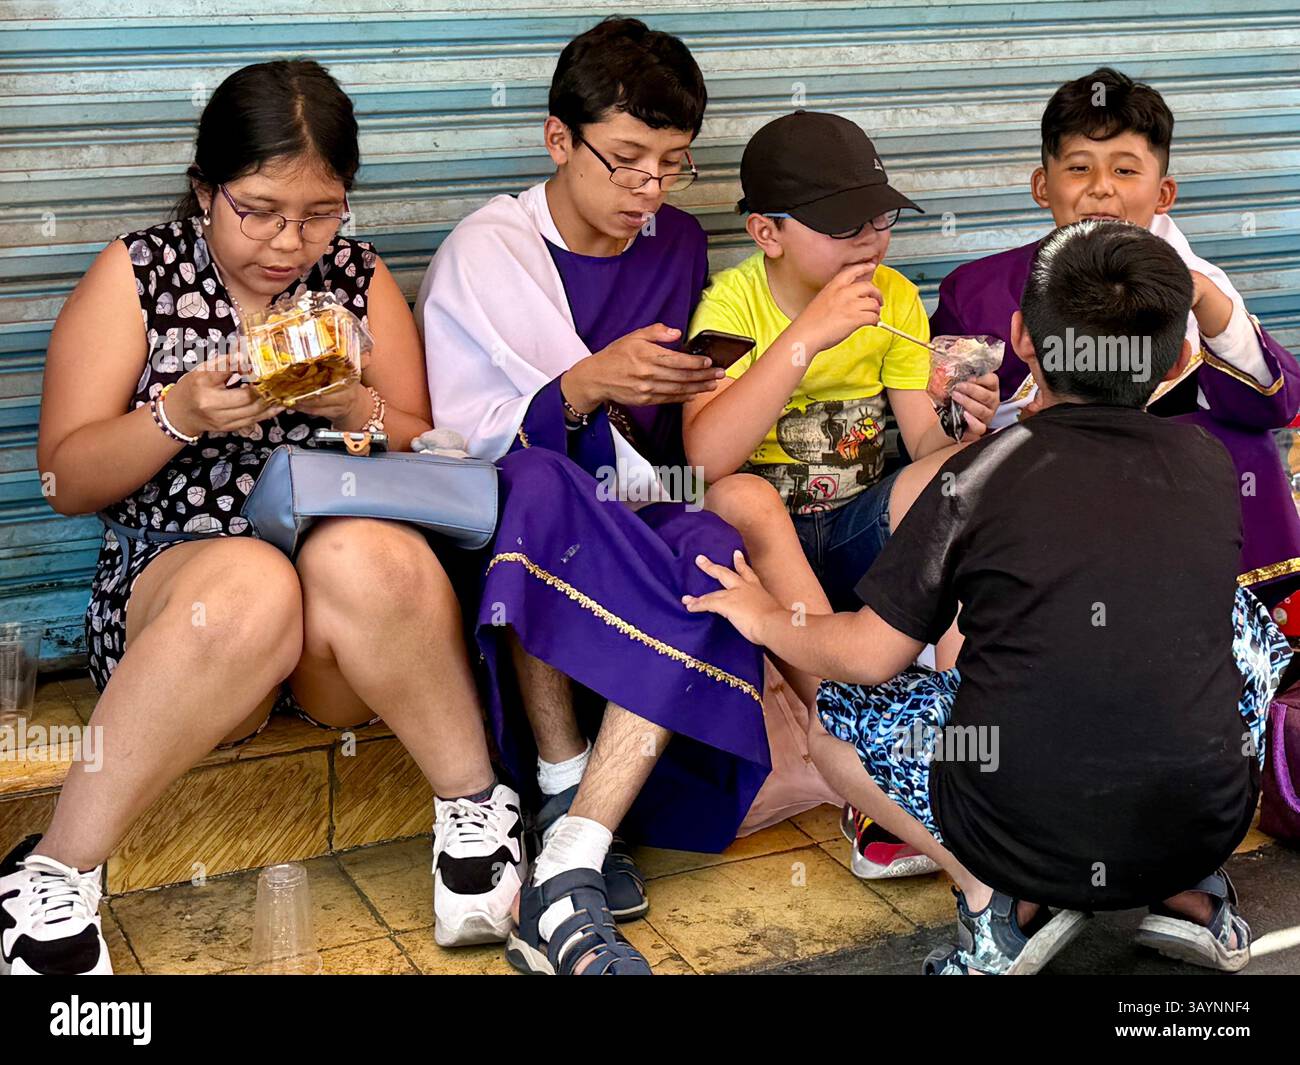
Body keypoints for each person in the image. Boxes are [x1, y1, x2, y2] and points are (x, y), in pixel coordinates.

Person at [1, 60, 521, 977]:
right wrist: (177, 416)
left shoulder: (357, 281)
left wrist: (355, 409)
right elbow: (63, 481)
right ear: (206, 189)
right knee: (251, 580)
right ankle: (51, 872)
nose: (290, 241)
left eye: (320, 212)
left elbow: (433, 450)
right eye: (259, 210)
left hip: (341, 639)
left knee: (369, 554)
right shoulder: (141, 271)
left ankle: (476, 811)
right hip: (189, 606)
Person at [684, 219, 1291, 975]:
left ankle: (996, 906)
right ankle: (1194, 892)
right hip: (1204, 818)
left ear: (1021, 339)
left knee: (836, 724)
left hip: (1022, 831)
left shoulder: (975, 476)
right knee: (1238, 622)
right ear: (1176, 359)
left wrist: (767, 616)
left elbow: (871, 658)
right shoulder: (1206, 461)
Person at [418, 18, 837, 976]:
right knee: (539, 481)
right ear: (559, 140)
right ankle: (564, 779)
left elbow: (660, 449)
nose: (648, 190)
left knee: (704, 536)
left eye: (673, 165)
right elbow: (459, 430)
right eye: (627, 162)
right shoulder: (486, 251)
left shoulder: (676, 242)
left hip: (637, 494)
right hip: (515, 511)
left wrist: (686, 386)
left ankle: (573, 852)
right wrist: (583, 386)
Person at [683, 111, 1000, 880]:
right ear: (767, 232)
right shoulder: (731, 305)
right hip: (769, 544)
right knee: (741, 495)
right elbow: (702, 457)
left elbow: (921, 445)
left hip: (859, 529)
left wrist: (964, 427)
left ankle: (963, 750)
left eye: (880, 218)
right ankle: (867, 756)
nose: (870, 239)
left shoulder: (892, 297)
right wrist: (805, 339)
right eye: (842, 224)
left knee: (963, 480)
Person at [931, 66, 1300, 607]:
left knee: (1240, 441)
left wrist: (1207, 304)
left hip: (1162, 495)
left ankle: (1234, 627)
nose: (1101, 188)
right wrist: (969, 414)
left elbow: (1274, 402)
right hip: (1038, 488)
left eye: (1126, 170)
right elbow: (942, 427)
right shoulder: (978, 291)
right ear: (1042, 185)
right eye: (1079, 168)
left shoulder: (1199, 284)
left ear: (1164, 192)